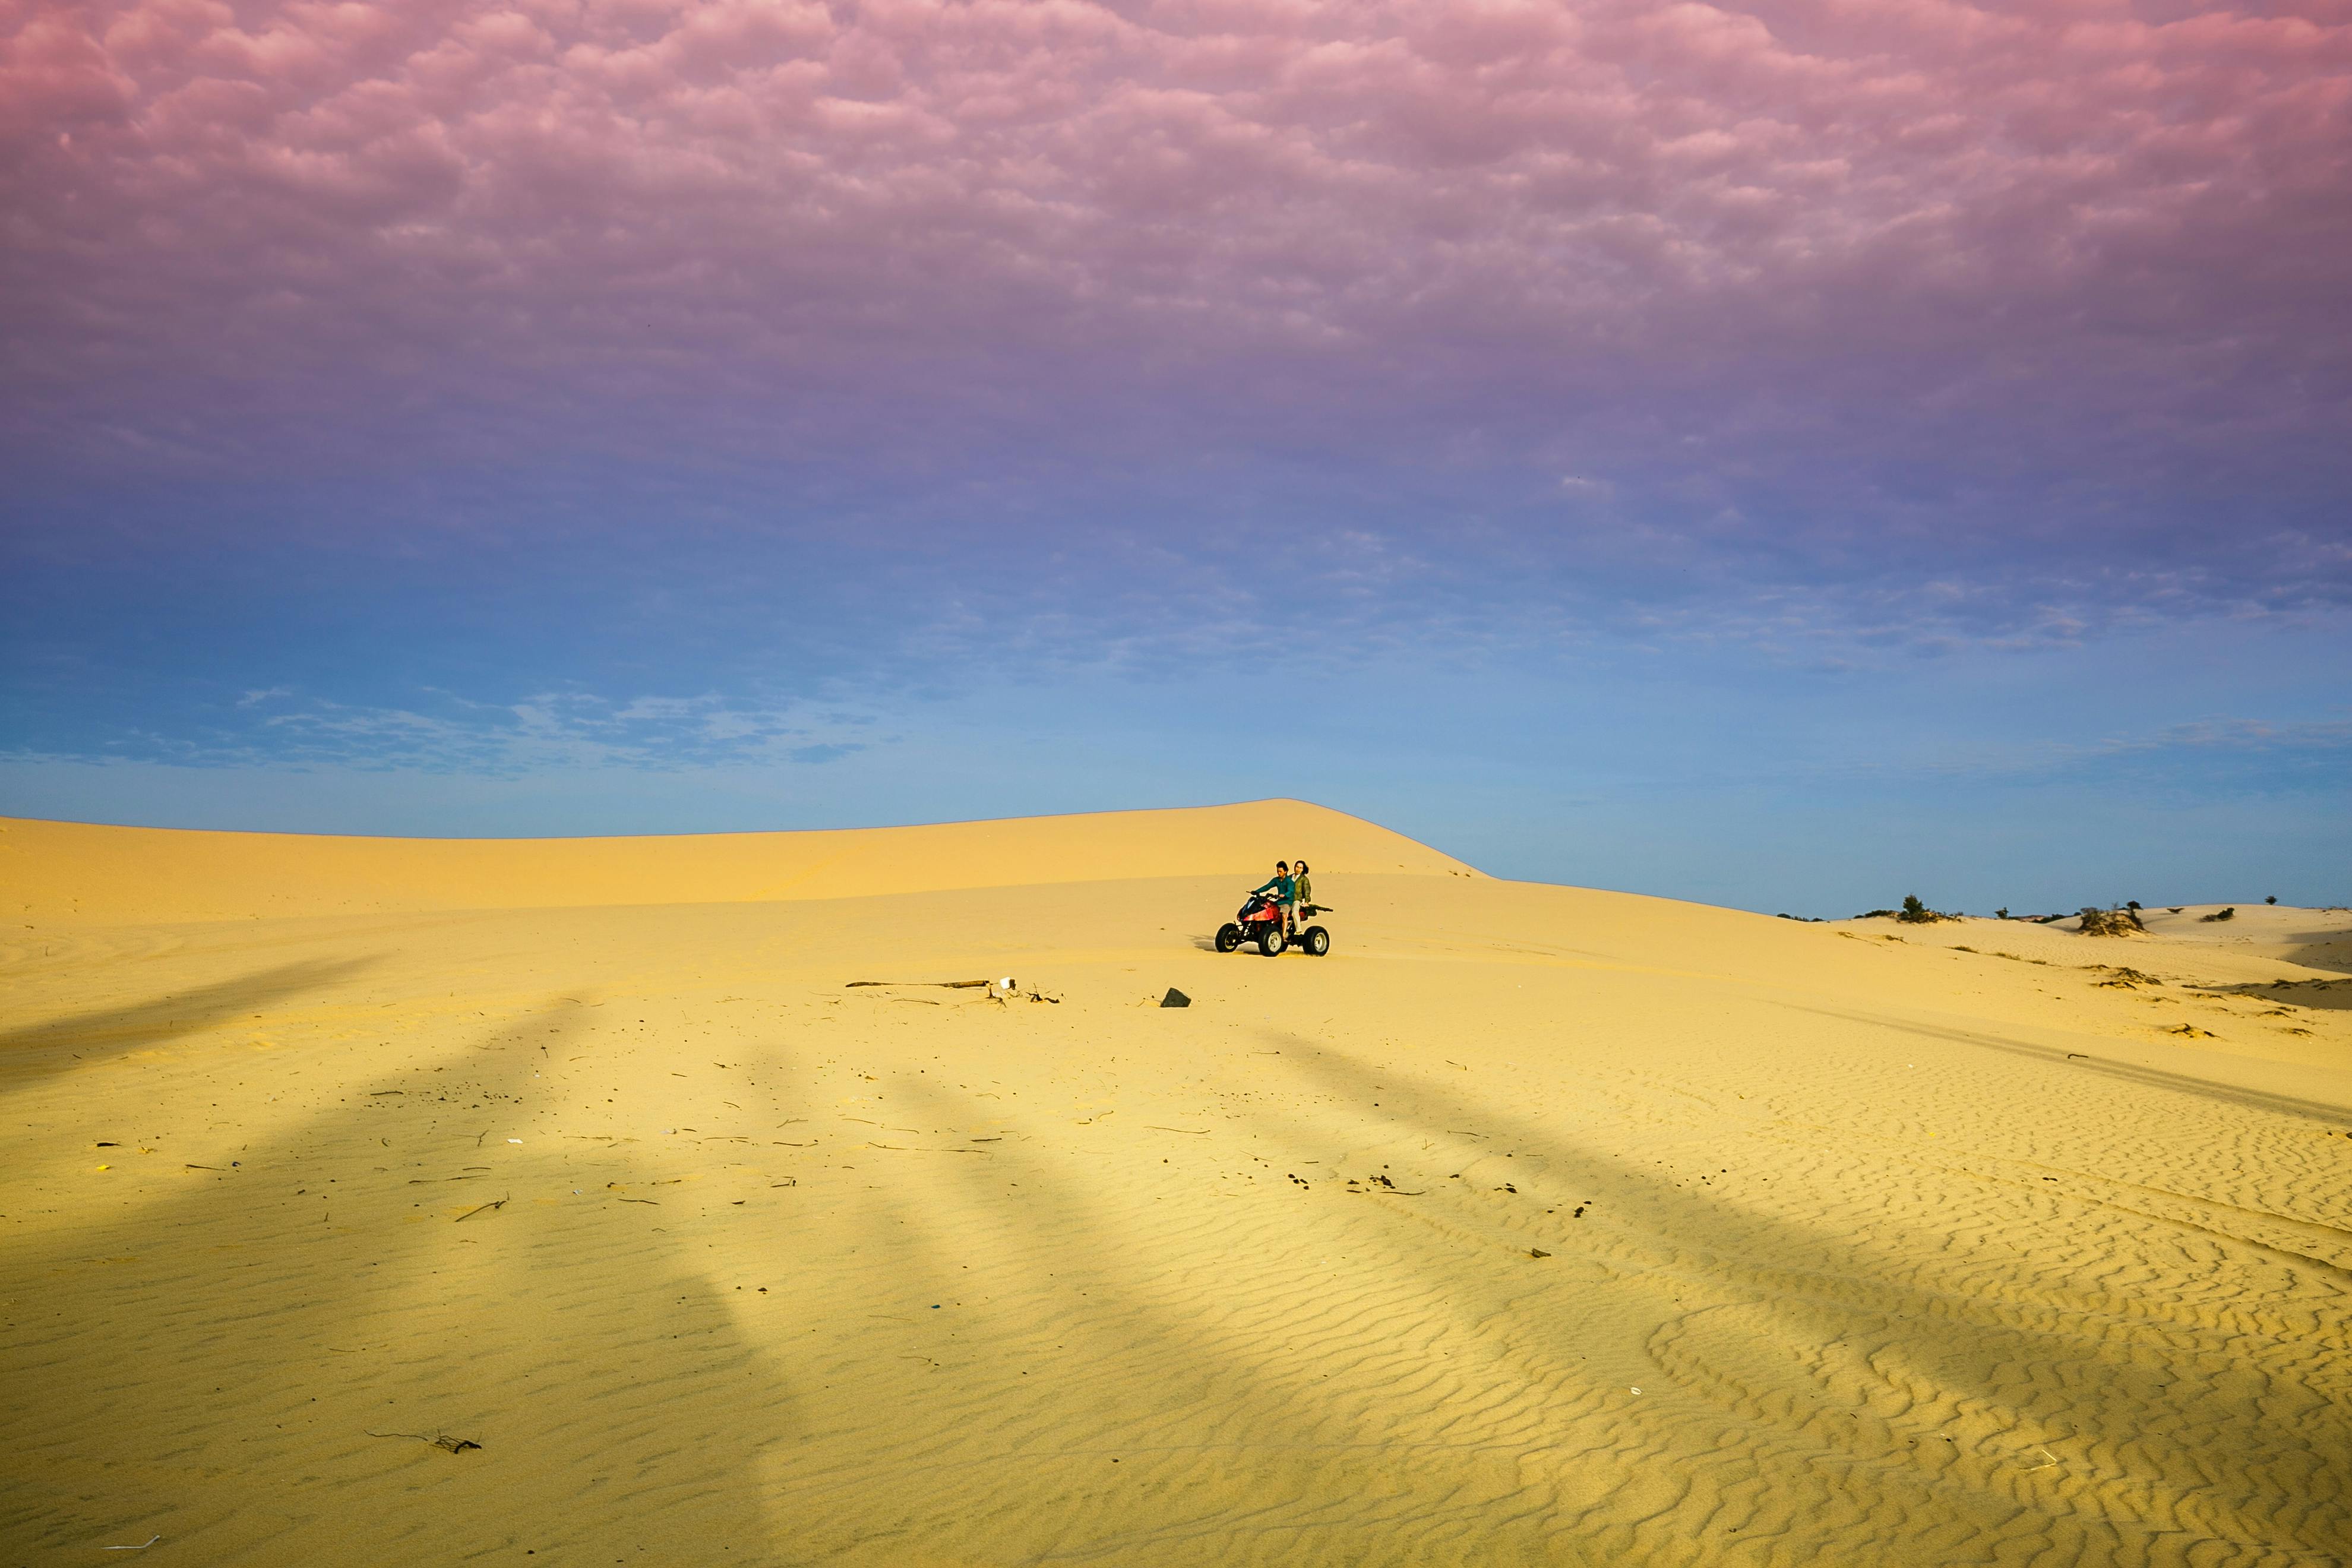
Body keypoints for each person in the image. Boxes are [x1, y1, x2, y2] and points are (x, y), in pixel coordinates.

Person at [1249, 861, 1292, 928]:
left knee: (1284, 916)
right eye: (1278, 871)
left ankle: (1283, 933)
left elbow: (1291, 891)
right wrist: (1257, 891)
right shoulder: (1276, 880)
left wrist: (1285, 895)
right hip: (1279, 901)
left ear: (1285, 871)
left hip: (1287, 902)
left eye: (1280, 871)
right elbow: (1267, 886)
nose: (1279, 873)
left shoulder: (1289, 881)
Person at [1290, 859, 1313, 933]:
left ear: (1303, 869)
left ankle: (1298, 930)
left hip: (1297, 899)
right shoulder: (1289, 877)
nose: (1298, 869)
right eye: (1297, 867)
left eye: (1300, 868)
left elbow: (1307, 891)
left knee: (1295, 912)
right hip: (1287, 900)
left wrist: (1307, 902)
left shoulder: (1304, 879)